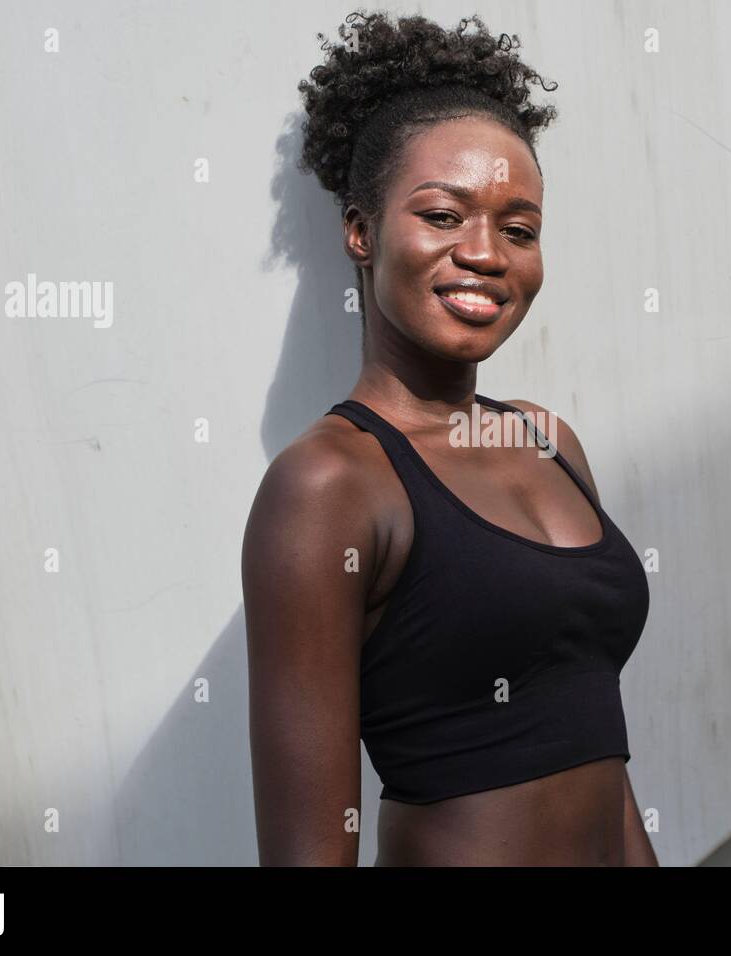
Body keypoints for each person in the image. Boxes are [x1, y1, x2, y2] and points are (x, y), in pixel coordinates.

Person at [243, 11, 656, 866]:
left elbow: (596, 756)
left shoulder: (550, 444)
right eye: (443, 216)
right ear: (362, 231)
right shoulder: (327, 485)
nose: (485, 254)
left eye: (518, 229)